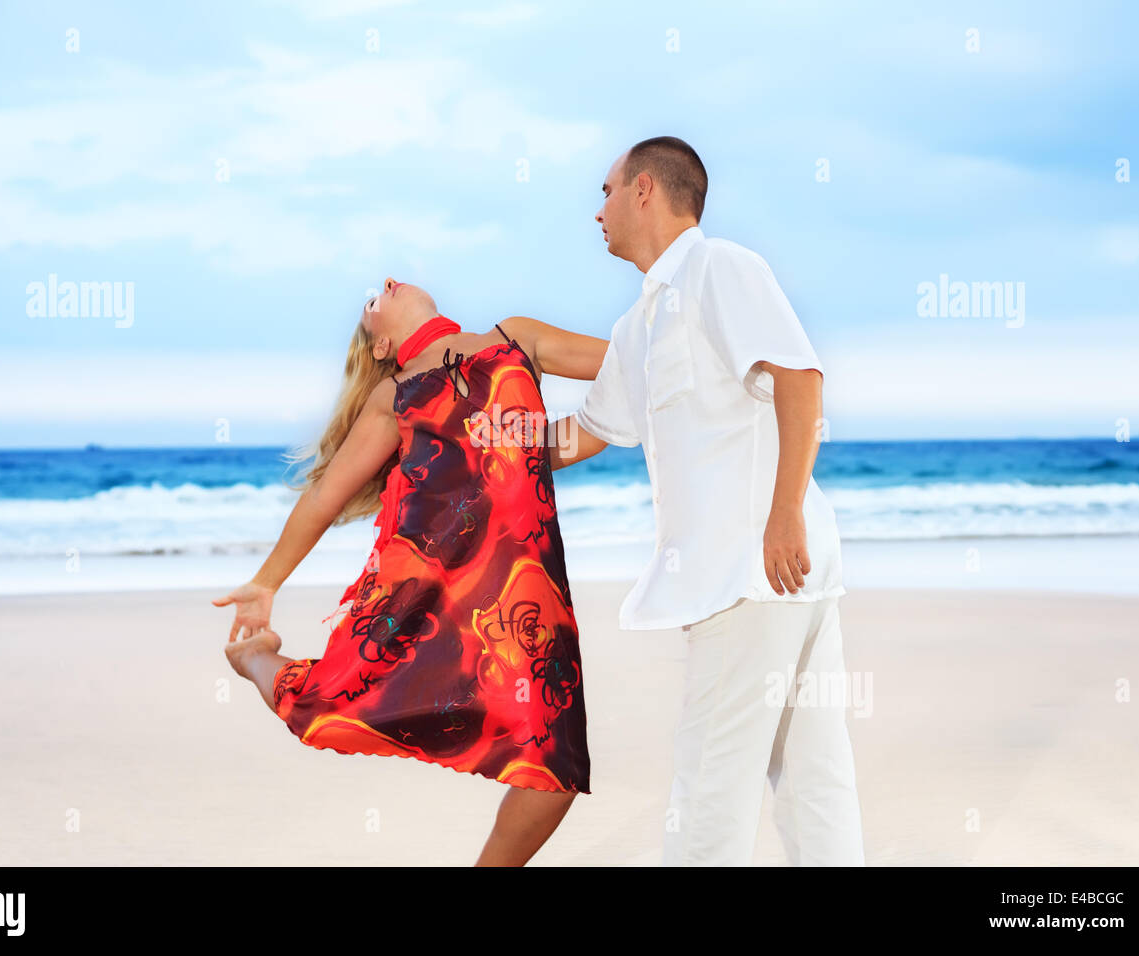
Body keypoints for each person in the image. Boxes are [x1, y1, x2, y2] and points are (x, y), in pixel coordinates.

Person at [215, 278, 609, 866]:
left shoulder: (518, 337)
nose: (389, 284)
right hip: (422, 592)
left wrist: (548, 441)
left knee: (554, 766)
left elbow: (631, 372)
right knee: (336, 707)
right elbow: (326, 497)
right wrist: (266, 581)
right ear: (379, 347)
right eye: (374, 299)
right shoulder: (392, 396)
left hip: (519, 594)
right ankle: (254, 660)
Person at [549, 136, 866, 866]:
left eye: (604, 192)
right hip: (772, 575)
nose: (596, 212)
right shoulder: (641, 323)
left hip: (756, 569)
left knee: (709, 785)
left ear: (644, 192)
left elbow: (800, 378)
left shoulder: (720, 267)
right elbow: (583, 434)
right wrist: (468, 439)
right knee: (811, 776)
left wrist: (783, 512)